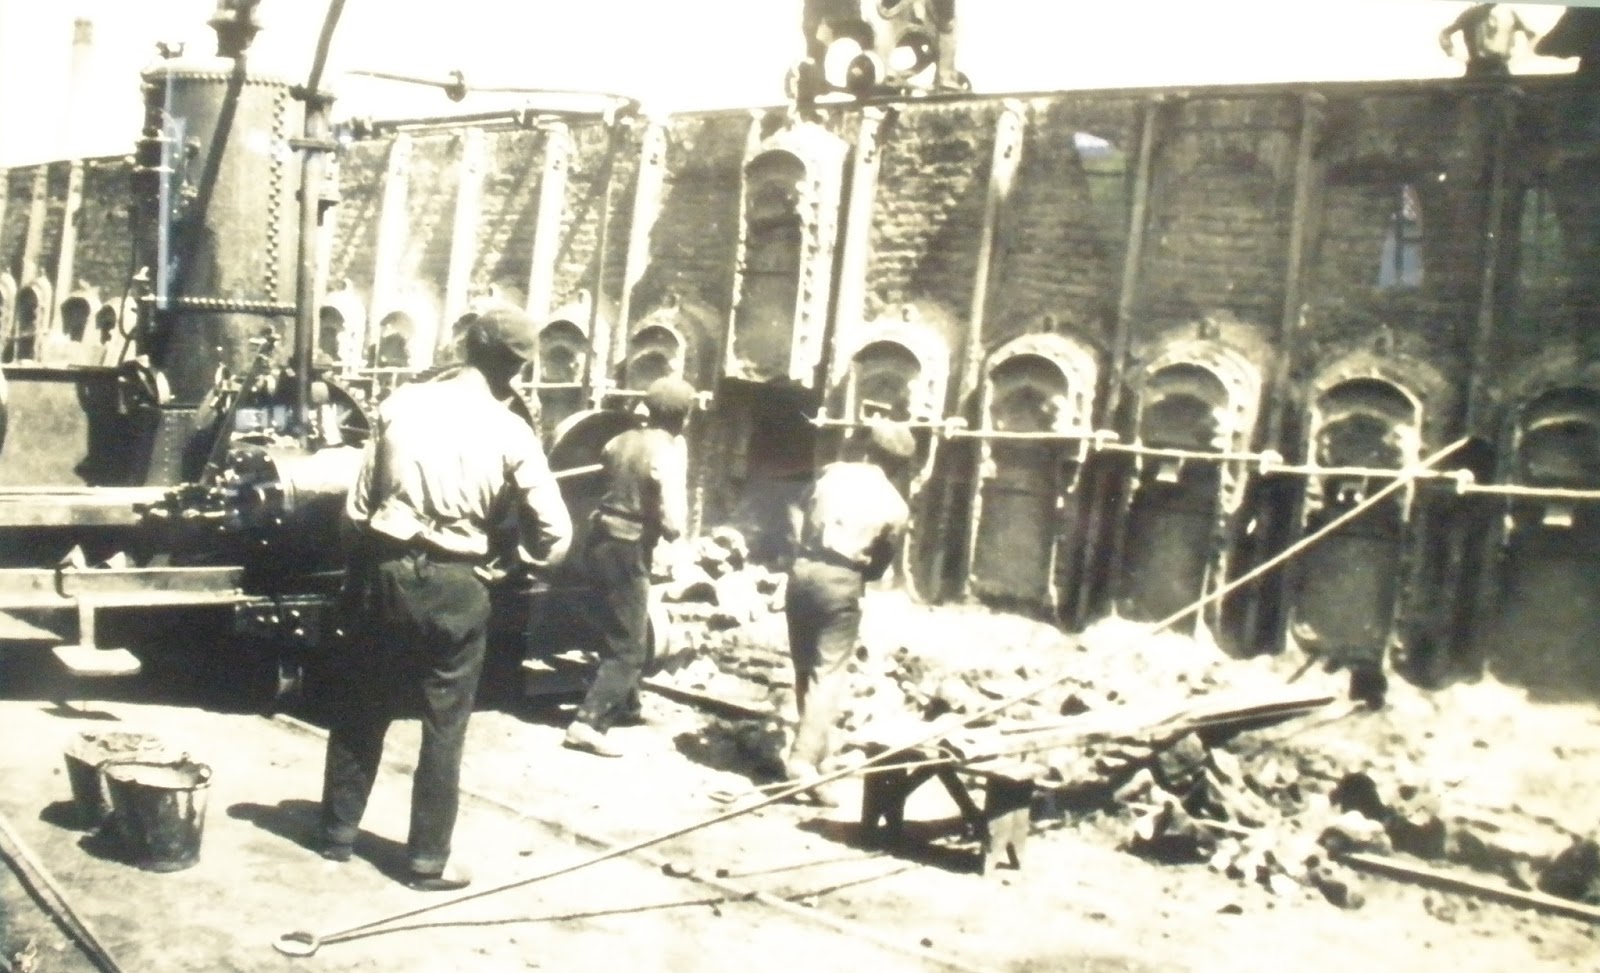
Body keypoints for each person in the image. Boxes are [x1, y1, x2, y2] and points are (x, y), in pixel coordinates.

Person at [318, 305, 572, 891]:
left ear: (466, 348)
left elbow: (356, 511)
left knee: (362, 703)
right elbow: (556, 534)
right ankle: (427, 861)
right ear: (518, 368)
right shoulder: (512, 430)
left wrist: (362, 578)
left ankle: (335, 835)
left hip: (385, 569)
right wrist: (511, 567)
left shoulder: (401, 403)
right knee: (443, 723)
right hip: (460, 583)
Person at [562, 375, 696, 758]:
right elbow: (671, 519)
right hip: (628, 547)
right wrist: (675, 535)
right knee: (630, 646)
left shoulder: (619, 440)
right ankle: (587, 724)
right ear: (682, 417)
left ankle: (627, 703)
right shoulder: (667, 451)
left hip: (597, 541)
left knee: (617, 624)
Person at [782, 420, 914, 804]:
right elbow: (882, 562)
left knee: (805, 666)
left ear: (868, 450)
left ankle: (818, 754)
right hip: (842, 580)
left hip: (803, 571)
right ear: (898, 465)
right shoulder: (895, 505)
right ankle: (803, 762)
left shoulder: (833, 475)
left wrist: (802, 547)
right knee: (830, 674)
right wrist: (859, 574)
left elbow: (797, 505)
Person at [1439, 3, 1536, 78]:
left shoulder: (1509, 13)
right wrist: (1452, 52)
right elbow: (1445, 33)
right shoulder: (1471, 13)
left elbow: (1532, 35)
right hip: (1476, 68)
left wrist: (1521, 57)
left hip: (1501, 67)